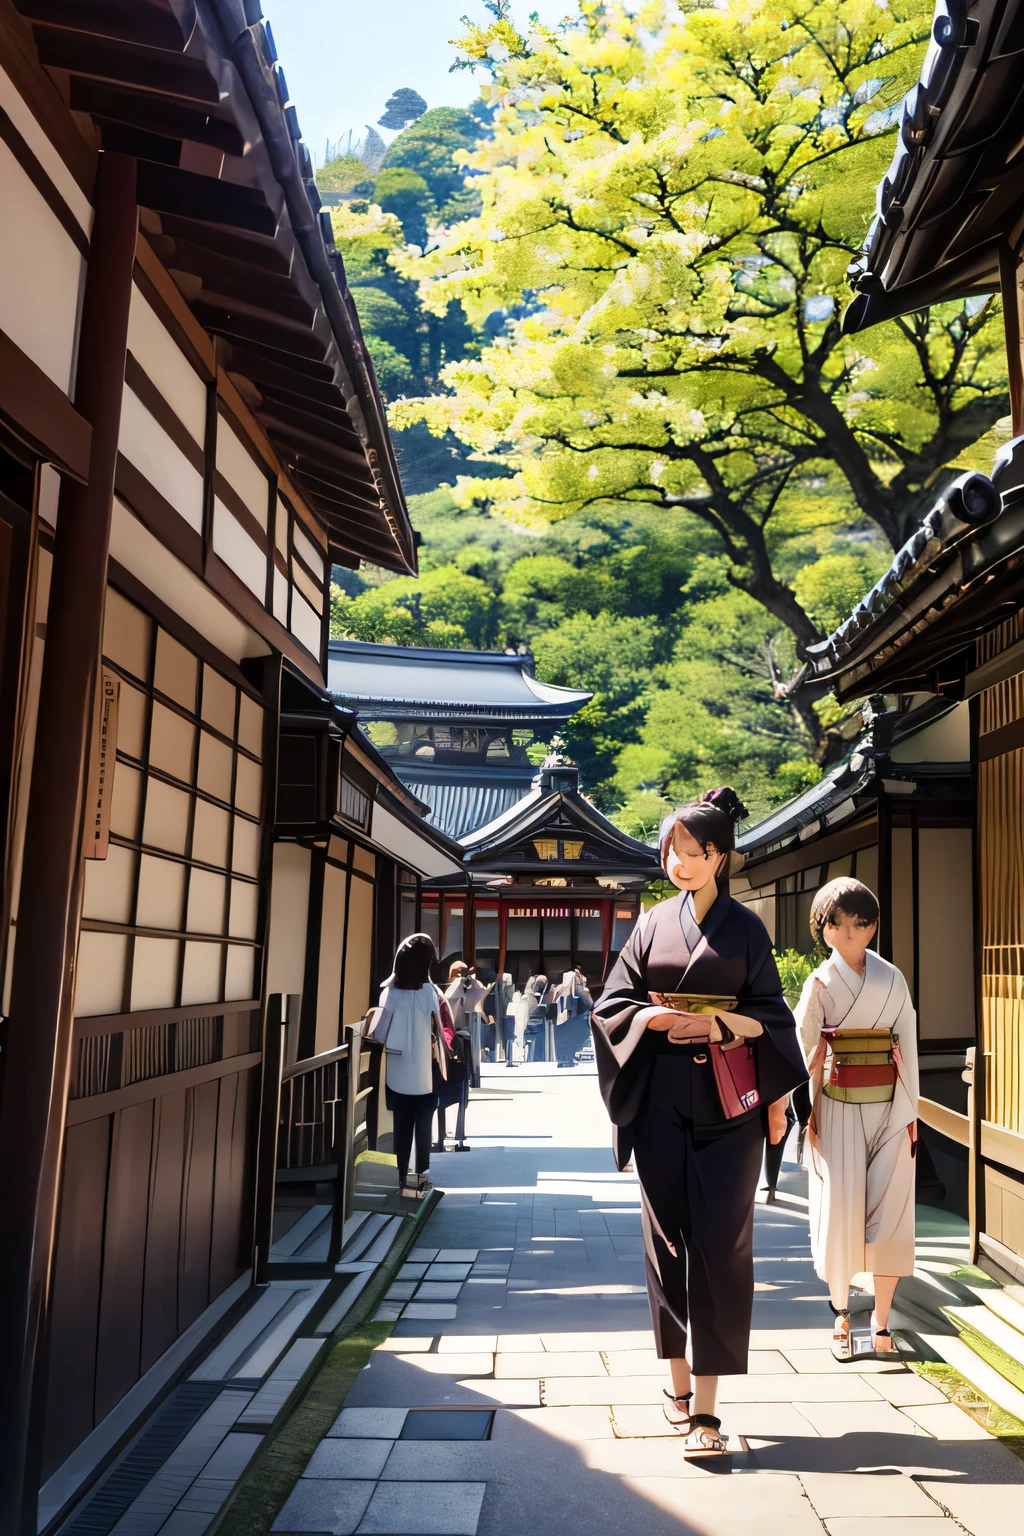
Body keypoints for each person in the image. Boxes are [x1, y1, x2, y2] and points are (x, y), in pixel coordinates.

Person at [591, 788, 807, 1456]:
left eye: (694, 852)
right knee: (667, 1247)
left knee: (721, 1246)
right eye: (672, 852)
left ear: (720, 856)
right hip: (660, 1098)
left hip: (730, 1106)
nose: (680, 864)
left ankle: (708, 1414)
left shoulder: (747, 929)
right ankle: (679, 1386)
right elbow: (612, 1003)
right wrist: (652, 1017)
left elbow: (773, 1015)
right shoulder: (653, 923)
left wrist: (719, 1024)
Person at [795, 877, 919, 1360]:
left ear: (874, 927)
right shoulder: (819, 982)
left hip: (891, 1106)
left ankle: (883, 1322)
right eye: (839, 924)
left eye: (861, 923)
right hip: (839, 1104)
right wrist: (807, 1109)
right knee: (841, 1212)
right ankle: (842, 1315)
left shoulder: (893, 979)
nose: (850, 932)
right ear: (822, 930)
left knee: (892, 1213)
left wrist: (912, 1111)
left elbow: (905, 1040)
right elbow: (802, 1045)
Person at [368, 933, 446, 1200]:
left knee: (401, 1126)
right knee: (424, 1127)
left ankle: (400, 1179)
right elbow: (439, 1030)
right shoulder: (431, 992)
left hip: (397, 1072)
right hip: (426, 1074)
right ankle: (420, 1179)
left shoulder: (389, 993)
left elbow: (380, 1032)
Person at [553, 967, 594, 1065]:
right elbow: (590, 1005)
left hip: (562, 1026)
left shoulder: (559, 988)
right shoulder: (579, 989)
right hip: (578, 1024)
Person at [520, 974, 549, 1061]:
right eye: (539, 984)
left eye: (541, 985)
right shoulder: (529, 998)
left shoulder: (531, 998)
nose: (539, 987)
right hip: (532, 1026)